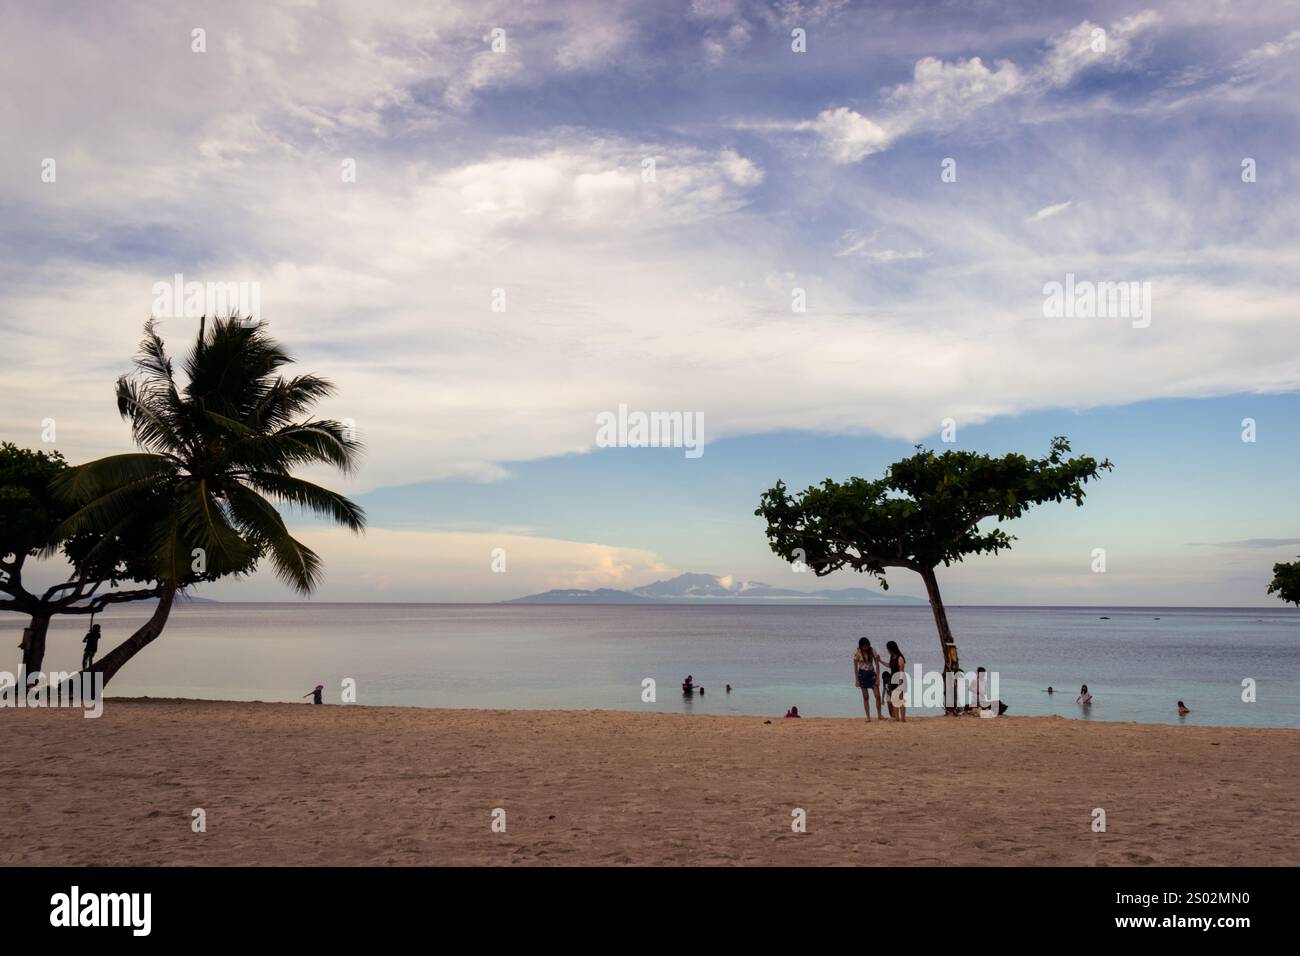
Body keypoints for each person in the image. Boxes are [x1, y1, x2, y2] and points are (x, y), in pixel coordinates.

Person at [853, 637, 883, 720]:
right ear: (860, 646)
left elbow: (877, 665)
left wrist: (878, 678)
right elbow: (855, 667)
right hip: (862, 674)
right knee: (865, 697)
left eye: (867, 646)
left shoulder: (872, 650)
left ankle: (879, 715)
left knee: (877, 696)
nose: (865, 648)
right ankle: (868, 717)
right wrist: (856, 680)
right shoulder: (857, 652)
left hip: (871, 673)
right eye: (864, 647)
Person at [884, 640, 907, 721]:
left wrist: (900, 683)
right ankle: (897, 718)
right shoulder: (892, 657)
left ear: (891, 649)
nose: (888, 651)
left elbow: (901, 671)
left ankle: (903, 718)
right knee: (894, 699)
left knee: (900, 699)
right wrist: (880, 661)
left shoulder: (900, 658)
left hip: (899, 680)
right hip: (893, 680)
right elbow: (889, 665)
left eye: (888, 649)